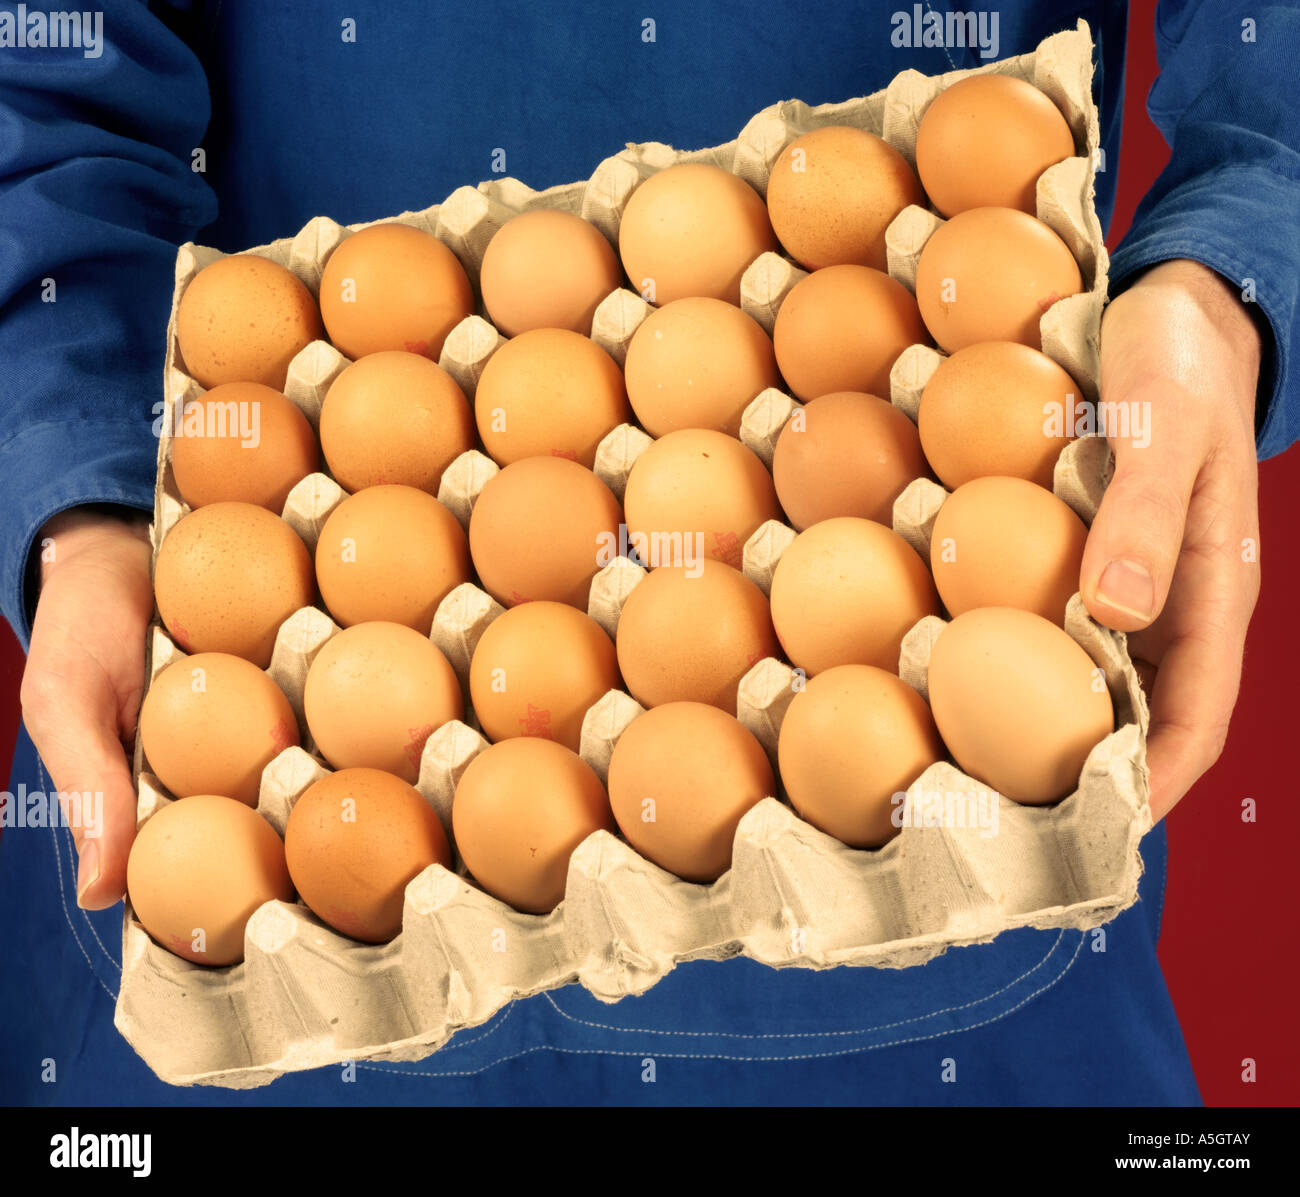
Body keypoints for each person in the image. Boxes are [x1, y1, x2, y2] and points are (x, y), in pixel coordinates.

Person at [0, 0, 1293, 1106]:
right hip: (246, 751)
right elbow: (38, 68)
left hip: (936, 885)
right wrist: (78, 479)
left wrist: (1226, 282)